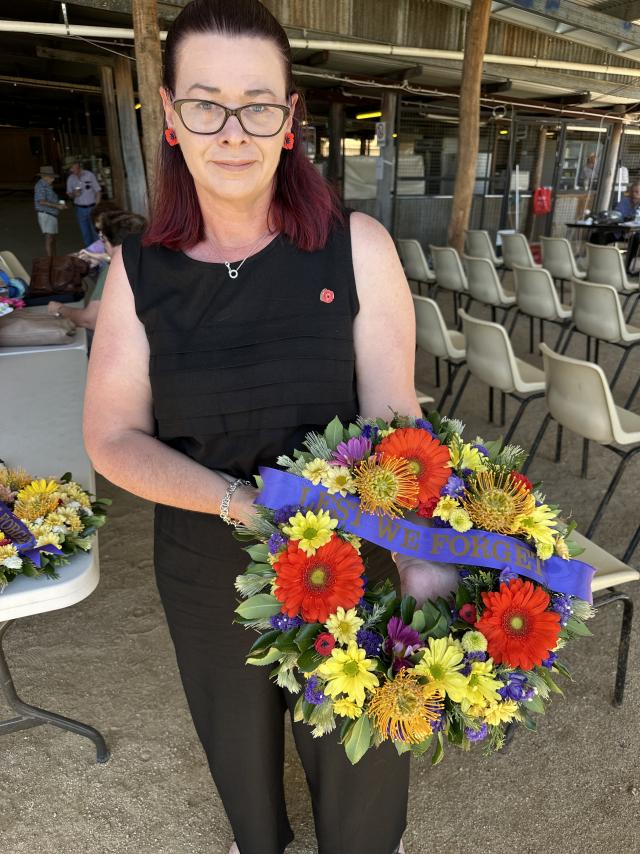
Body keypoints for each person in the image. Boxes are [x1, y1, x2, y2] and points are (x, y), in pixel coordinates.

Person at [83, 3, 458, 852]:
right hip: (208, 561)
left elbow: (394, 414)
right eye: (206, 103)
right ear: (172, 119)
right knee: (242, 766)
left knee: (364, 775)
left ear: (289, 122)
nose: (233, 130)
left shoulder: (354, 246)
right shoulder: (138, 271)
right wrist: (241, 503)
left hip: (354, 560)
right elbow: (111, 437)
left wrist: (415, 550)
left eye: (259, 104)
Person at [48, 211, 146, 331]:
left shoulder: (115, 270)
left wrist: (59, 309)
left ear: (105, 239)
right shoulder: (151, 261)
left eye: (102, 238)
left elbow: (90, 320)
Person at [66, 161, 102, 247]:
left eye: (73, 168)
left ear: (79, 167)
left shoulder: (89, 175)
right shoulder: (71, 178)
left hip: (92, 207)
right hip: (80, 209)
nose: (72, 170)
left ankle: (99, 255)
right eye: (71, 169)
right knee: (85, 233)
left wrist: (97, 206)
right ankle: (90, 254)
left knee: (96, 231)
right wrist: (74, 194)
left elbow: (98, 191)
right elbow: (69, 194)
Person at [34, 165, 65, 256]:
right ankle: (51, 261)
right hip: (46, 214)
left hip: (50, 214)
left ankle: (54, 258)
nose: (53, 179)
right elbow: (41, 201)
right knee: (49, 238)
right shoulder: (40, 186)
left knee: (52, 238)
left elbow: (49, 199)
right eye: (51, 177)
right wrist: (57, 206)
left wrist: (59, 204)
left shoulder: (47, 185)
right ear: (44, 176)